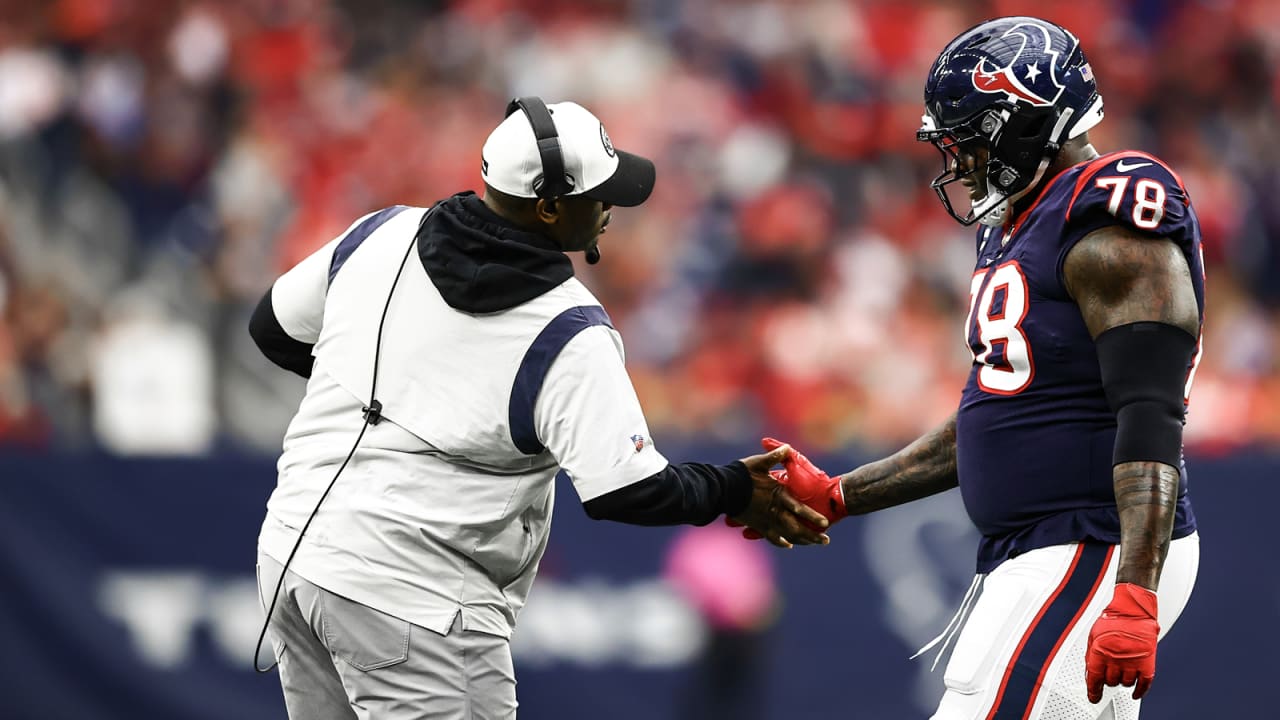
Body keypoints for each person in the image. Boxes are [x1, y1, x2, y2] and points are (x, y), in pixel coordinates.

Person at [246, 97, 831, 720]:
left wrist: (398, 384)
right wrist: (735, 488)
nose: (610, 207)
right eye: (598, 195)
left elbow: (274, 328)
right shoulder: (569, 327)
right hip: (418, 600)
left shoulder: (381, 231)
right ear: (550, 207)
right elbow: (627, 493)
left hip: (293, 560)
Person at [760, 16, 1202, 720]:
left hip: (1091, 545)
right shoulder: (1025, 224)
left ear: (1024, 123)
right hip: (1047, 552)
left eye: (968, 142)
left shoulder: (1110, 225)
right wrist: (840, 495)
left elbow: (1150, 418)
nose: (959, 162)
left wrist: (1136, 591)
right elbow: (995, 417)